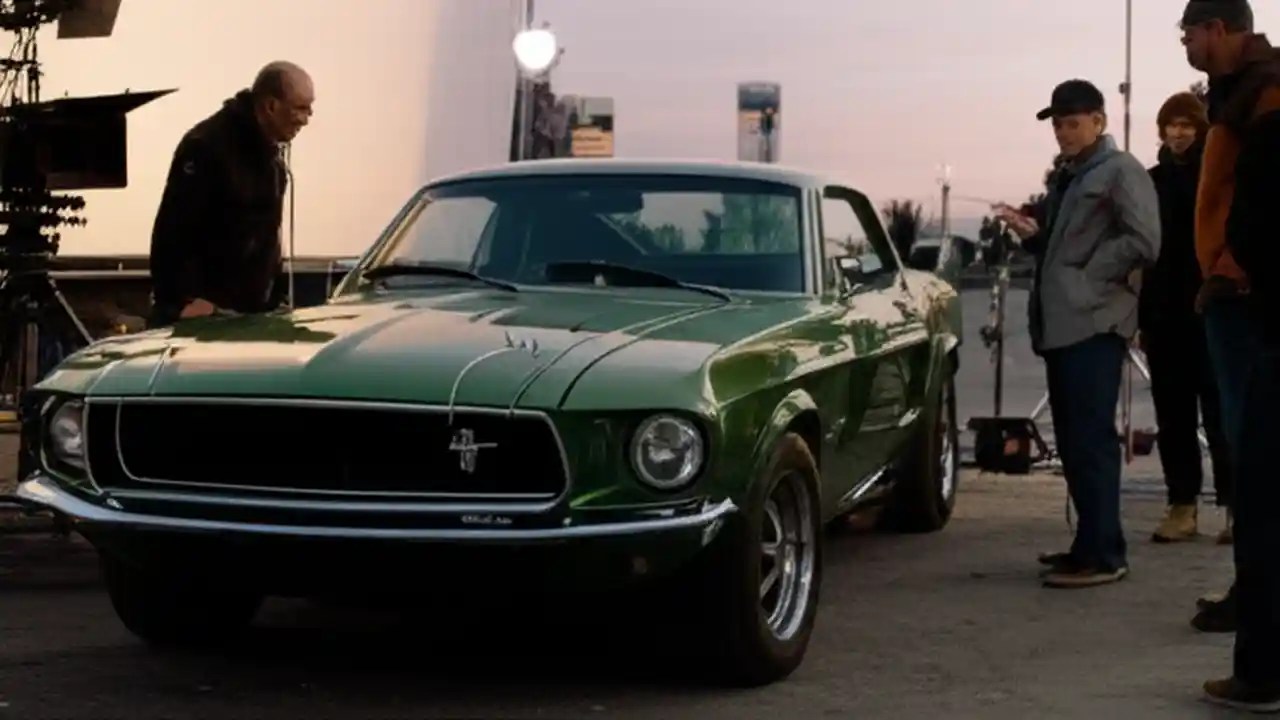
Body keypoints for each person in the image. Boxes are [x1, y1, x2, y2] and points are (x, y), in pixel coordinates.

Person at [996, 79, 1160, 589]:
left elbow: (1144, 240)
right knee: (1073, 439)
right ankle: (1088, 544)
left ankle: (1107, 554)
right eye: (1059, 125)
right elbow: (1067, 250)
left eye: (1073, 123)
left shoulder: (1120, 172)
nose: (1064, 133)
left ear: (1099, 122)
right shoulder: (1070, 177)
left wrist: (1090, 277)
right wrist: (1036, 240)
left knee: (1091, 441)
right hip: (1064, 326)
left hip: (1093, 324)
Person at [1178, 0, 1280, 710]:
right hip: (1240, 300)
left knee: (1263, 483)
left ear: (1218, 28)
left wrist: (1231, 266)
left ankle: (1262, 669)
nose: (1184, 41)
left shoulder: (1267, 89)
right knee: (1257, 482)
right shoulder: (1239, 92)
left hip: (1256, 306)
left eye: (1188, 29)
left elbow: (1274, 197)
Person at [147, 61, 315, 328]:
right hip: (207, 318)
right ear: (271, 107)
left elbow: (268, 236)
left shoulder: (270, 157)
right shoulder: (207, 146)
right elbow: (172, 232)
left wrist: (276, 297)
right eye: (301, 109)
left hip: (252, 315)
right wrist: (183, 302)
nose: (307, 119)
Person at [1138, 91, 1234, 544]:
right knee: (1172, 418)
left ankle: (1237, 507)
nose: (1176, 133)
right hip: (1163, 318)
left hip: (1210, 314)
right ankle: (1182, 505)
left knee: (1222, 416)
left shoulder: (1214, 178)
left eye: (1184, 125)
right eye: (1169, 125)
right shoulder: (1149, 182)